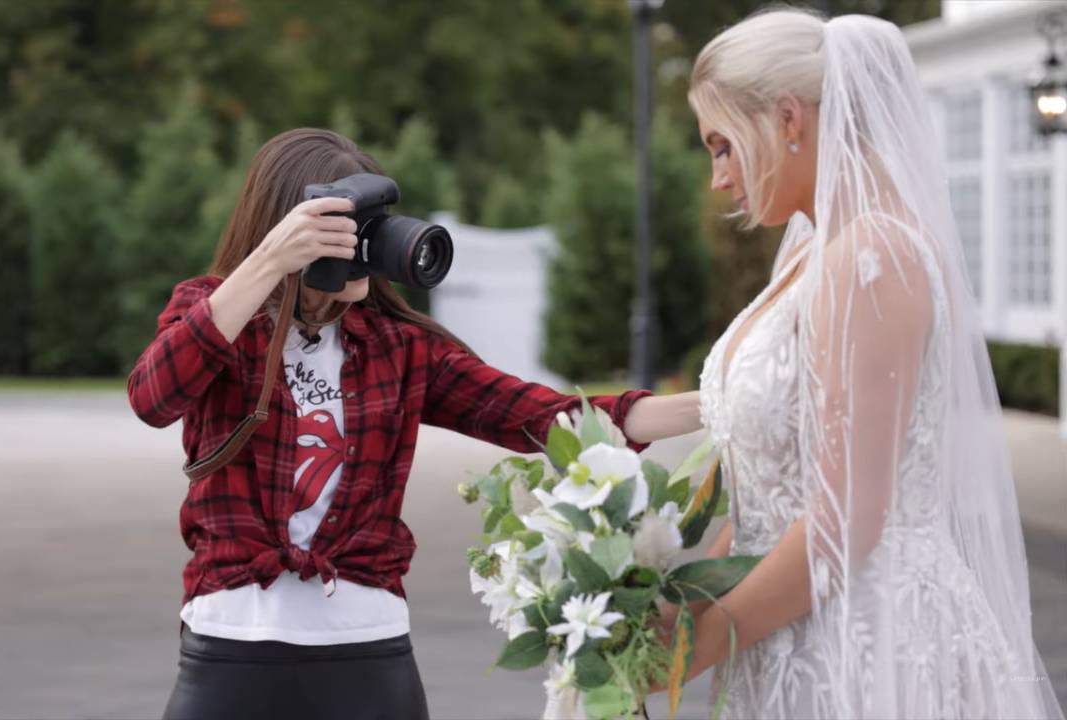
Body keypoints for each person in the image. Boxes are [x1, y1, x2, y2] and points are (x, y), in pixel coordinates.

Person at [126, 127, 703, 720]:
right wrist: (271, 261)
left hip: (366, 649)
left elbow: (543, 418)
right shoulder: (216, 310)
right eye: (346, 232)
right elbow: (153, 396)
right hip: (231, 643)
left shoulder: (397, 348)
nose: (364, 252)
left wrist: (718, 404)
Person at [669, 8, 1063, 719]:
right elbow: (774, 491)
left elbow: (845, 519)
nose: (718, 180)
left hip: (862, 648)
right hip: (791, 626)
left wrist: (694, 648)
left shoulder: (871, 260)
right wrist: (675, 601)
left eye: (724, 146)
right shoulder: (820, 252)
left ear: (789, 119)